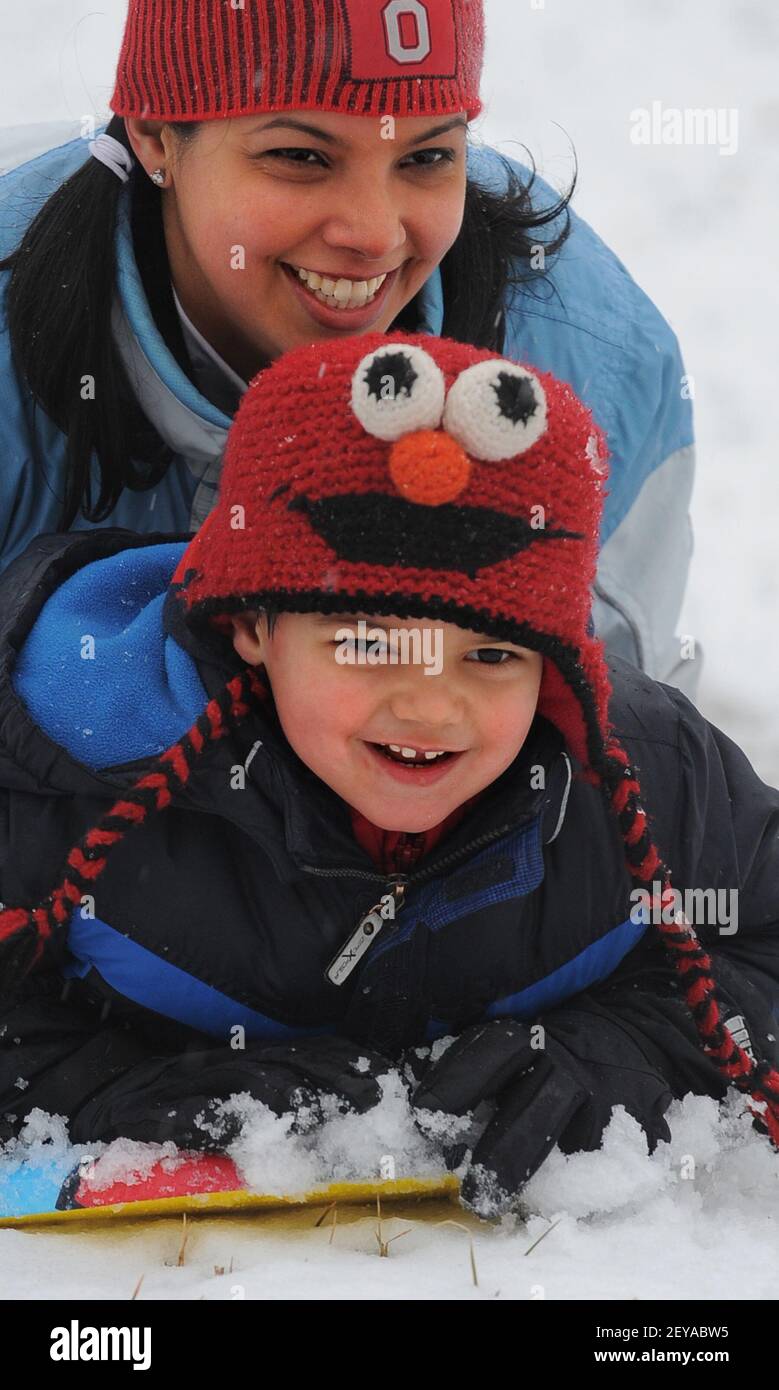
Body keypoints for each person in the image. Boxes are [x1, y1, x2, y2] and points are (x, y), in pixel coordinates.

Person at [0, 331, 776, 1219]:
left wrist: (622, 1056)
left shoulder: (649, 779)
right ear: (251, 625)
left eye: (490, 653)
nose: (428, 708)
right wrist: (114, 1095)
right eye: (367, 643)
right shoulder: (64, 771)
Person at [0, 0, 698, 697]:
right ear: (154, 135)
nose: (372, 233)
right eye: (300, 156)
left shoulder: (591, 362)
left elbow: (622, 766)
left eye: (426, 158)